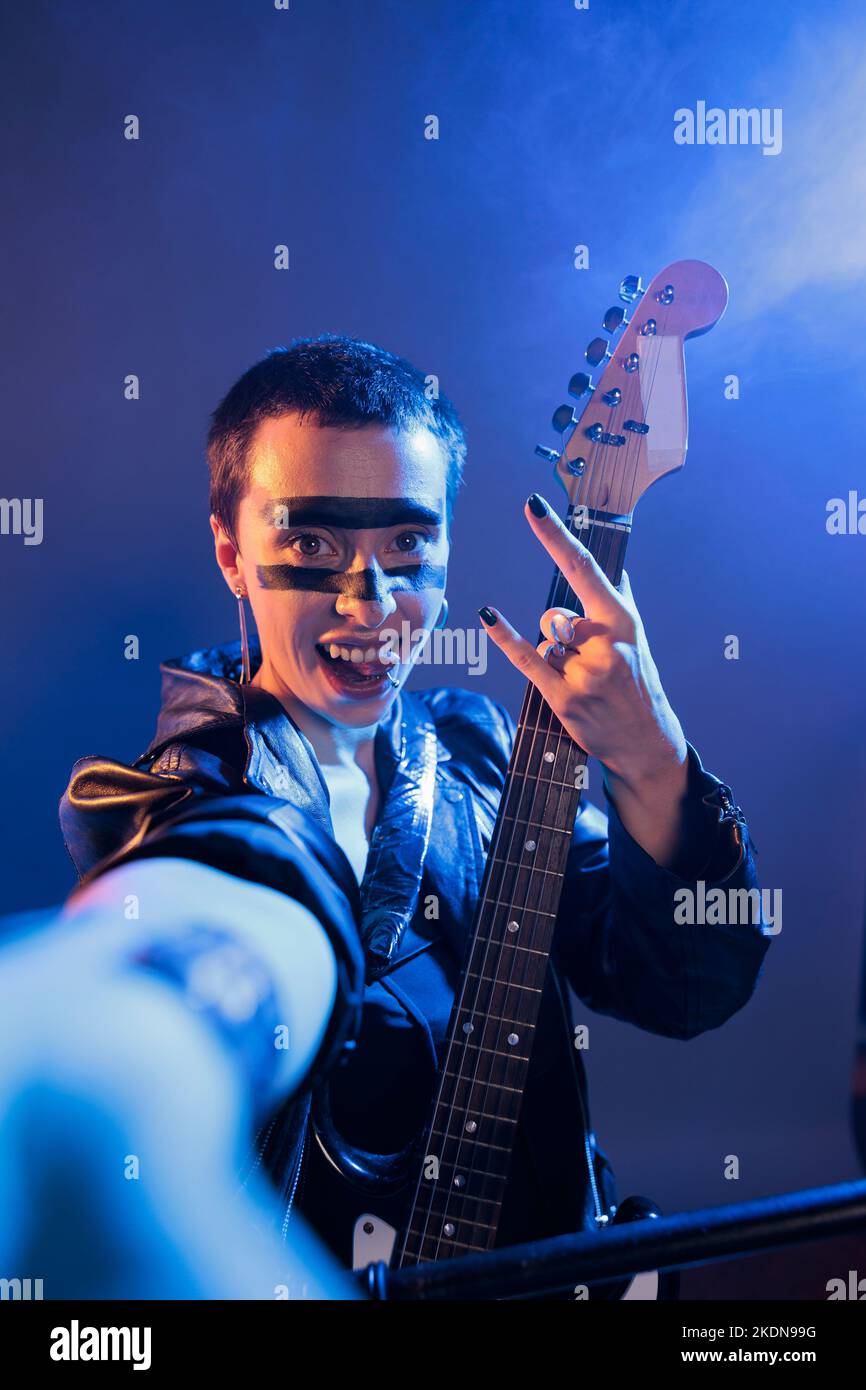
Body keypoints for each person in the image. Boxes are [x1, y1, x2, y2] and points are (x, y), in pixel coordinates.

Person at [57, 335, 771, 1291]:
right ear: (232, 553)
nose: (372, 603)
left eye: (407, 544)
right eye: (311, 544)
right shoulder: (170, 802)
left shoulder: (484, 757)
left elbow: (684, 989)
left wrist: (649, 755)